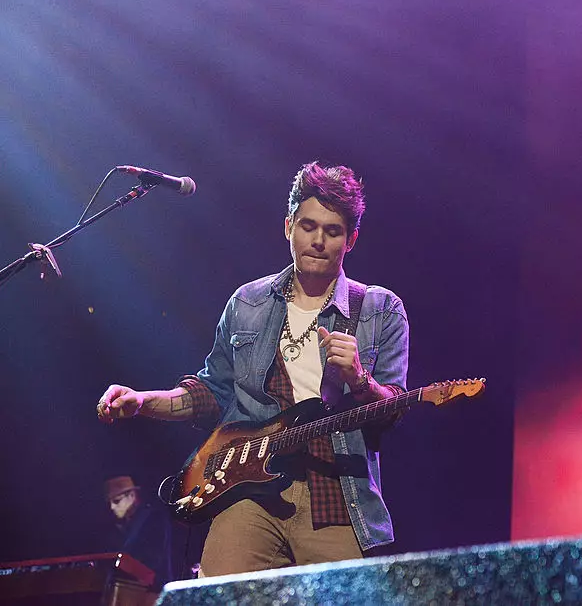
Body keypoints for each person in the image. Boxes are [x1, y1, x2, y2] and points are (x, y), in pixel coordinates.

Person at [96, 162, 409, 577]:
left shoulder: (380, 309)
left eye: (332, 231)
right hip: (247, 495)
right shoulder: (248, 303)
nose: (317, 240)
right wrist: (142, 402)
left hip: (335, 496)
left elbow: (394, 408)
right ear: (288, 227)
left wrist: (360, 380)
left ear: (350, 239)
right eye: (307, 226)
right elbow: (213, 392)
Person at [103, 475, 173, 587]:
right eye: (110, 502)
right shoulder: (120, 527)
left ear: (131, 496)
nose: (112, 507)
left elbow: (154, 560)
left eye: (116, 501)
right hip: (130, 588)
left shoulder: (153, 518)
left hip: (152, 590)